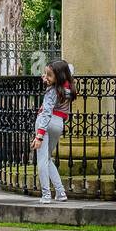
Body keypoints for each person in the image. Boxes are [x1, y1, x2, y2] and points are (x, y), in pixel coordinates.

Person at [32, 59, 76, 204]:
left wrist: (39, 135)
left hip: (45, 122)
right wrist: (50, 73)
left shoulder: (52, 91)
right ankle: (61, 192)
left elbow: (46, 113)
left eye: (49, 75)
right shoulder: (68, 88)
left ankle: (46, 195)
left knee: (42, 160)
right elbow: (69, 67)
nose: (45, 77)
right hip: (58, 124)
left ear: (59, 76)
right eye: (45, 74)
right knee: (48, 158)